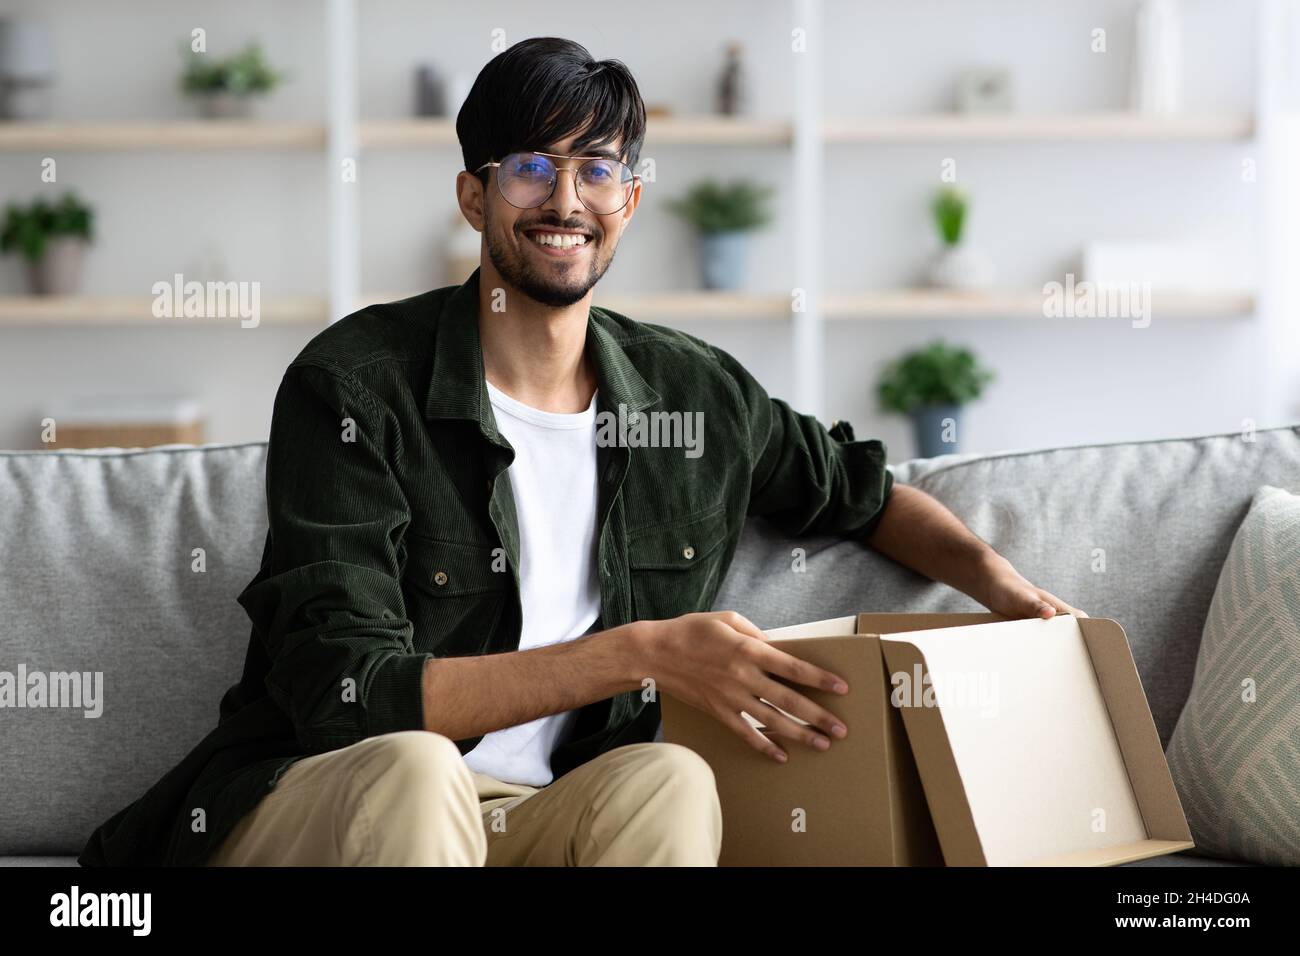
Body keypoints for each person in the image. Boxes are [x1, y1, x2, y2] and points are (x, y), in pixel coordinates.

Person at [80, 36, 1082, 868]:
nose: (565, 197)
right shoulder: (355, 384)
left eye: (595, 167)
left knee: (666, 775)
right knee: (419, 765)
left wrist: (1002, 587)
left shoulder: (693, 397)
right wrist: (646, 652)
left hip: (535, 814)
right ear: (474, 197)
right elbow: (348, 692)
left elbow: (863, 492)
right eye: (530, 166)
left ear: (628, 202)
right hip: (325, 805)